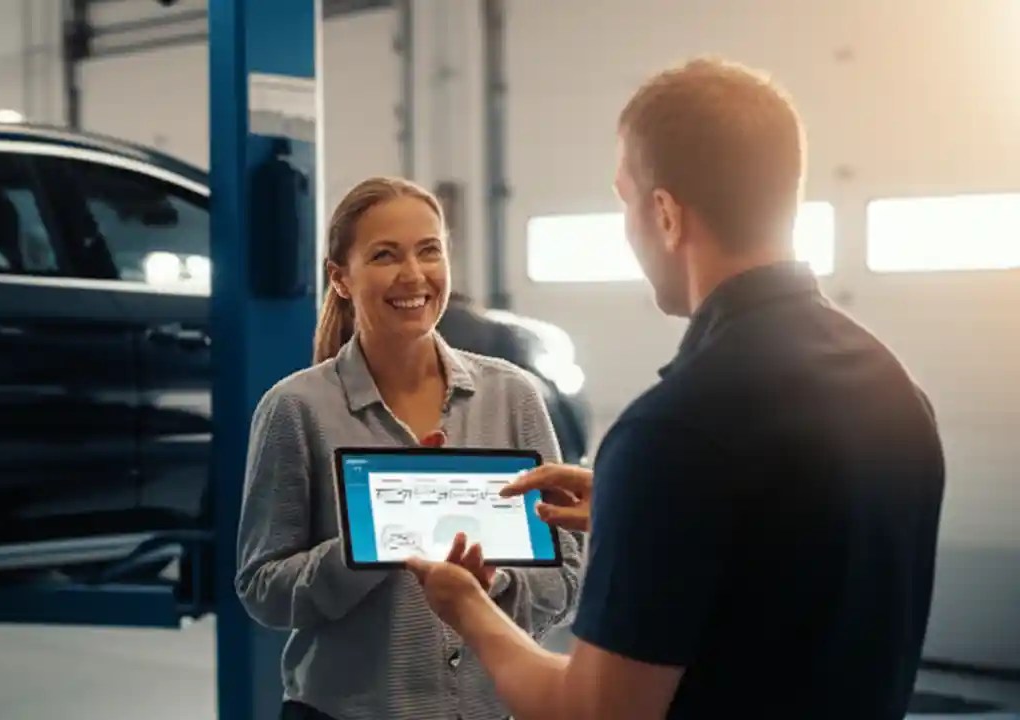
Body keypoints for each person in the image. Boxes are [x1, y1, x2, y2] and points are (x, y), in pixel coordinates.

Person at [406, 56, 946, 719]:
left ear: (665, 214)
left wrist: (468, 607)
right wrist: (632, 511)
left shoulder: (673, 433)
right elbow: (792, 562)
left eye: (624, 199)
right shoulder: (894, 390)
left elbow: (595, 713)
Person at [234, 176, 586, 720]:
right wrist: (368, 544)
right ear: (340, 278)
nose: (414, 275)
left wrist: (490, 588)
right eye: (385, 255)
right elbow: (262, 588)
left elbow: (566, 575)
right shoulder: (296, 409)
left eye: (429, 251)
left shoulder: (512, 398)